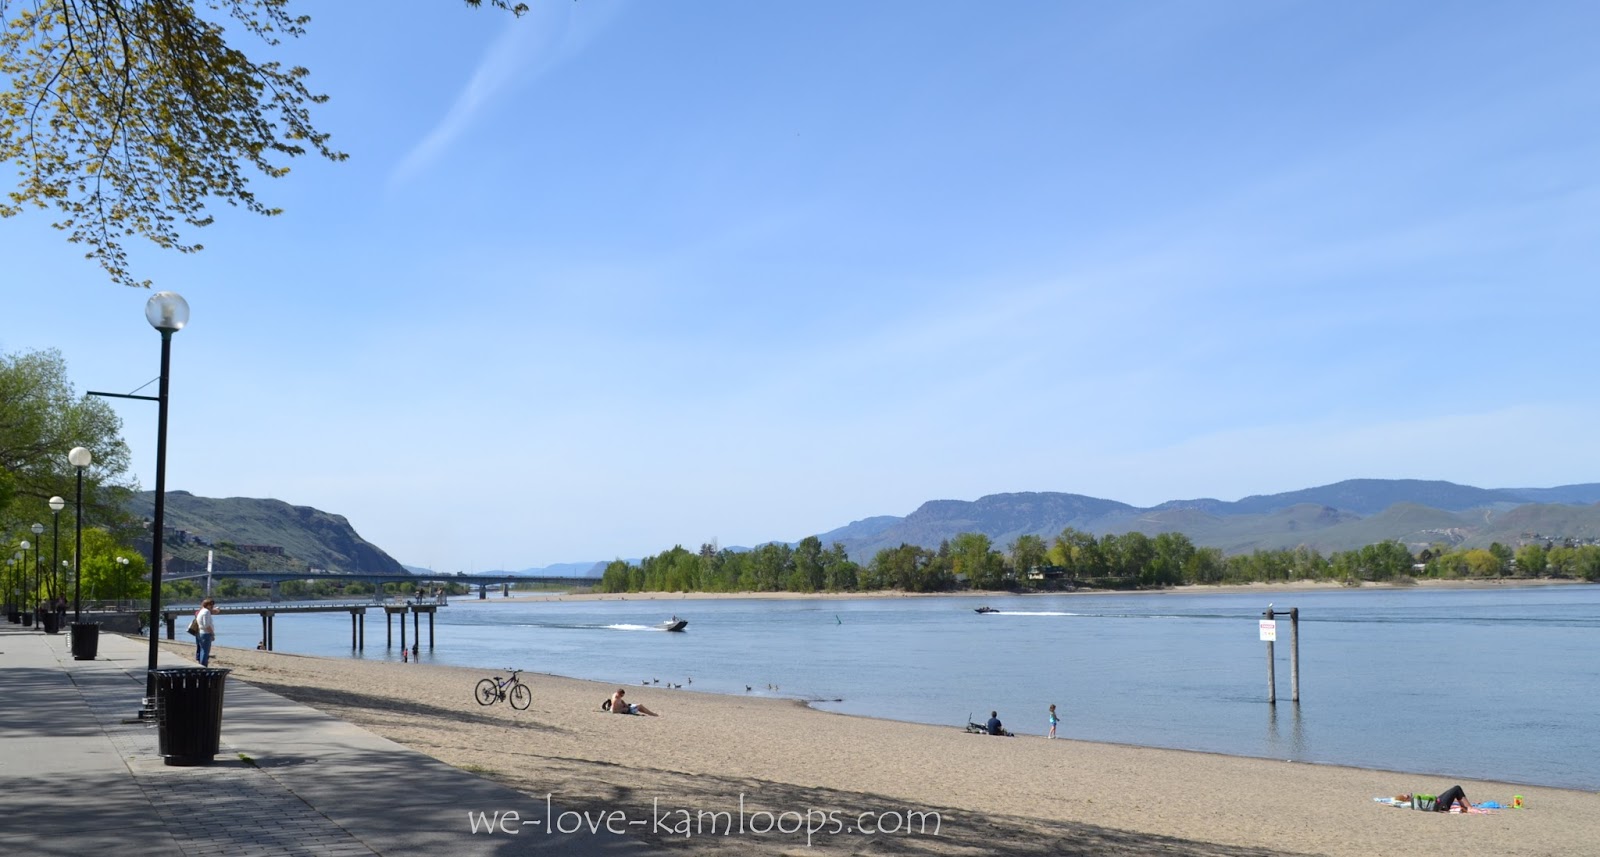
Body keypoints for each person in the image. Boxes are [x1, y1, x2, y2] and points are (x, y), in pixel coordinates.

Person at [194, 598, 216, 666]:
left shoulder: (201, 611)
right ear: (208, 605)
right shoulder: (206, 612)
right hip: (206, 633)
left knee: (202, 650)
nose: (212, 607)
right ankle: (203, 666)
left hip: (201, 632)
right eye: (211, 605)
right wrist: (212, 633)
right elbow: (206, 624)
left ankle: (201, 665)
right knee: (205, 651)